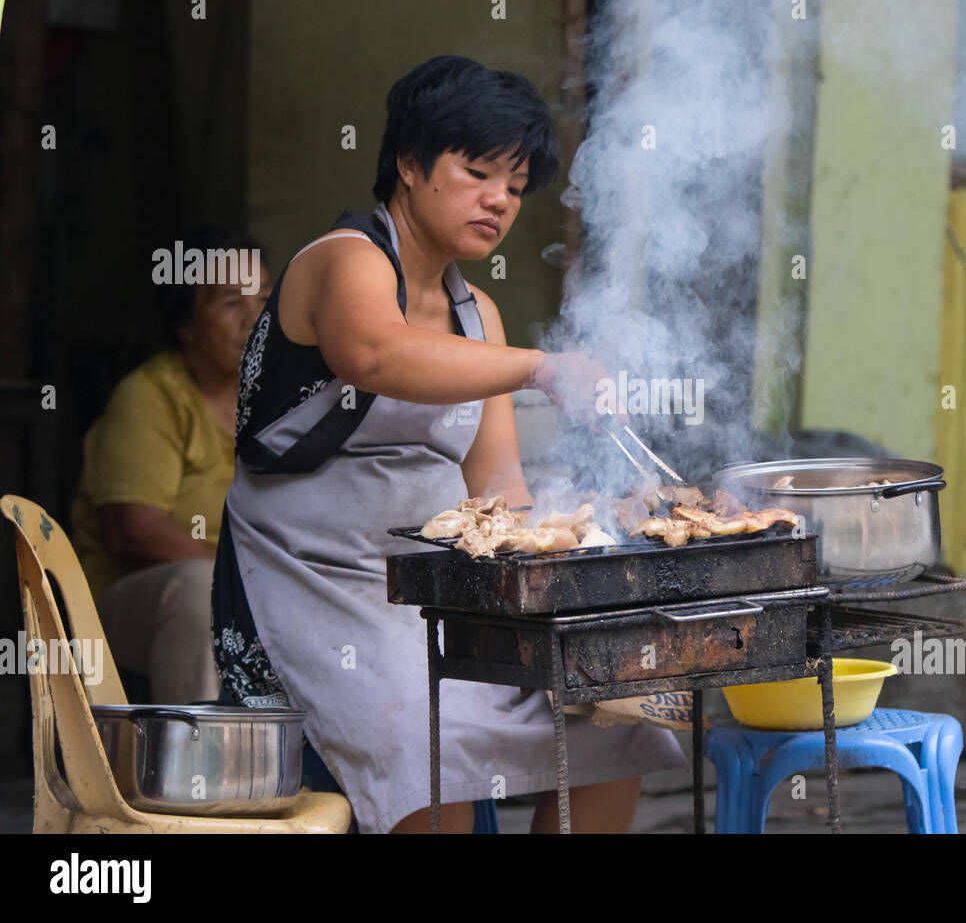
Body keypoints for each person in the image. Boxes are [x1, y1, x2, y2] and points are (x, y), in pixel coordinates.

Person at [211, 56, 687, 835]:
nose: (499, 199)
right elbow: (376, 354)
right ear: (408, 163)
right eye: (476, 172)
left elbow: (498, 486)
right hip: (318, 587)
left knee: (621, 719)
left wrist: (568, 564)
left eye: (516, 183)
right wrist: (543, 366)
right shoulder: (344, 261)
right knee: (428, 746)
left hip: (438, 589)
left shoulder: (479, 317)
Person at [70, 230, 271, 704]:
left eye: (264, 298)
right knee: (202, 590)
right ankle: (194, 764)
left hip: (251, 594)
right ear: (186, 324)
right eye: (229, 302)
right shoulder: (150, 396)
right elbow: (134, 532)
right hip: (130, 602)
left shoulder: (274, 402)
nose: (254, 318)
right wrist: (244, 586)